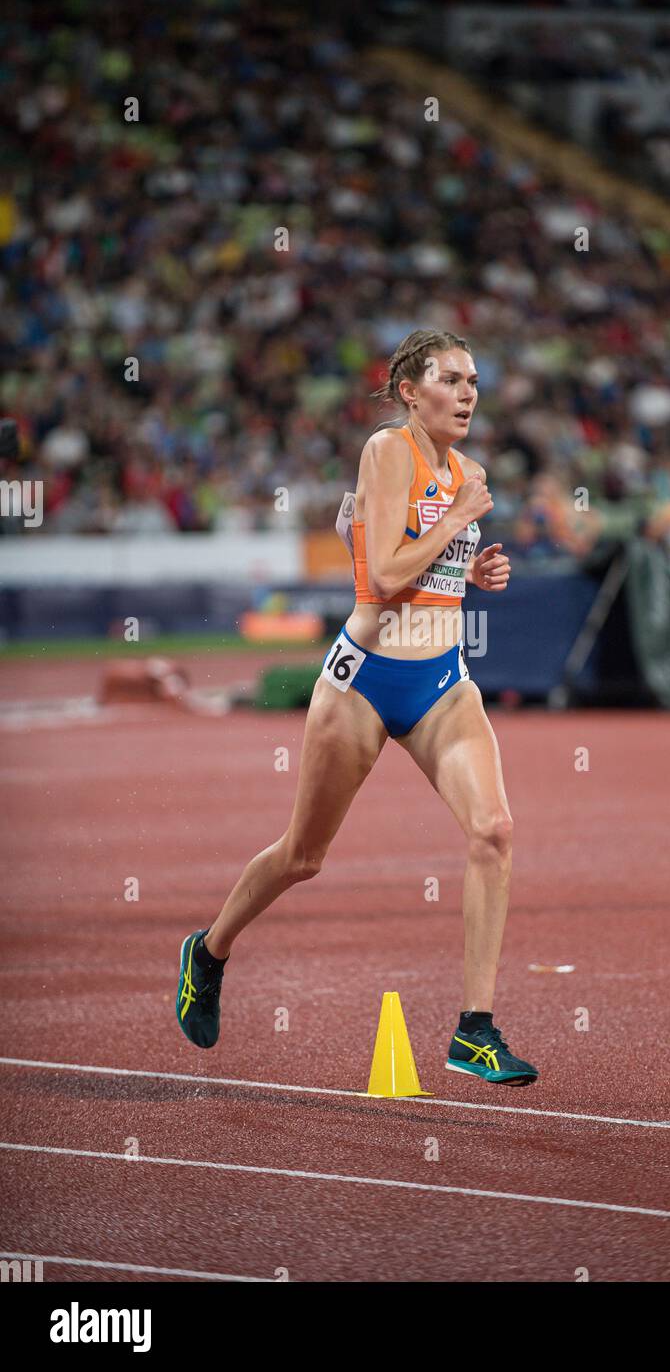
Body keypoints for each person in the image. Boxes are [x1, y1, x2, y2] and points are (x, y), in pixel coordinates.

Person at [176, 329, 539, 1086]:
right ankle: (208, 951)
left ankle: (475, 1030)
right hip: (363, 681)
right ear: (412, 391)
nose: (470, 393)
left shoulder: (468, 471)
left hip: (441, 680)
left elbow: (434, 573)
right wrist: (457, 520)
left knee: (495, 830)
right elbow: (382, 574)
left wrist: (481, 569)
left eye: (476, 380)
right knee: (304, 856)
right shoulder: (387, 451)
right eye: (453, 379)